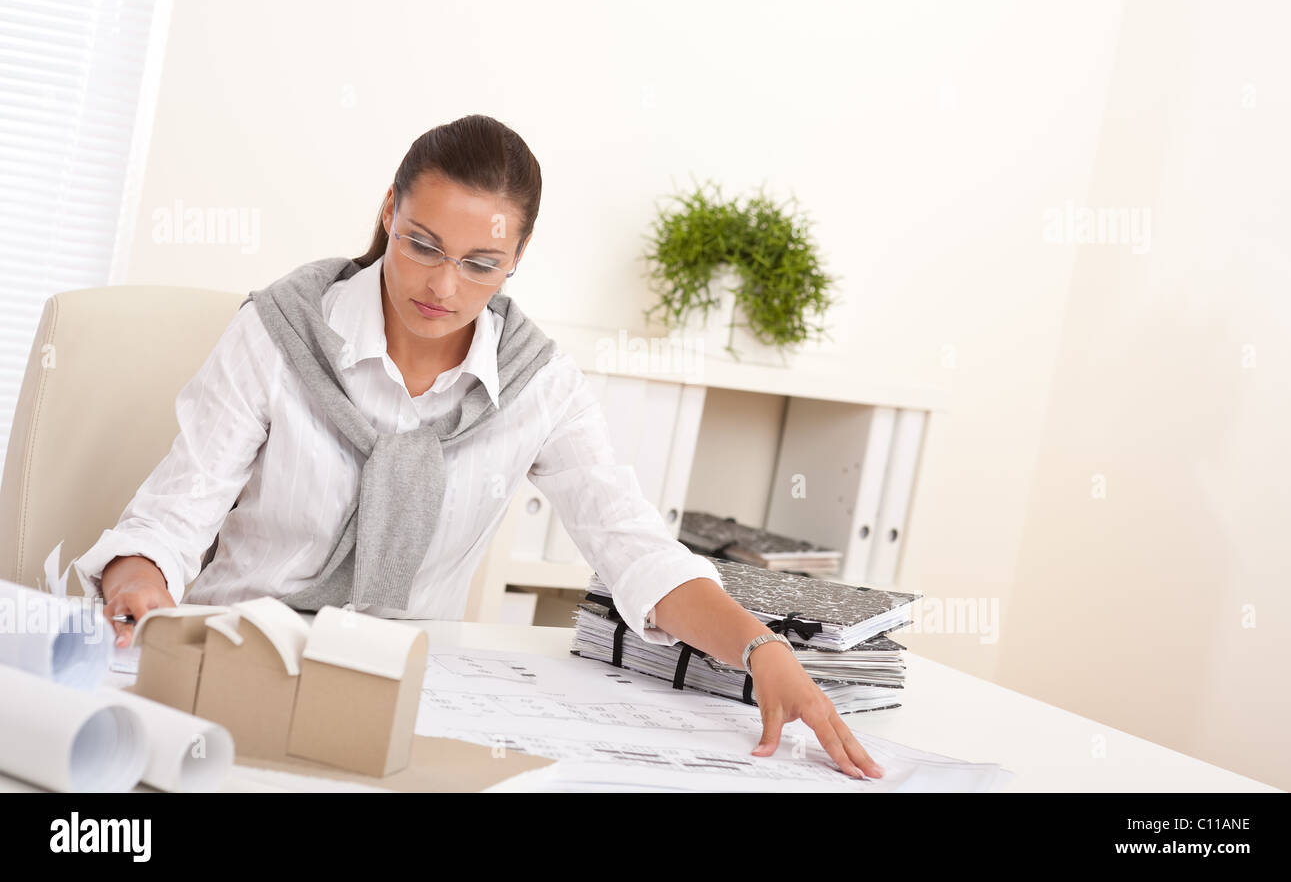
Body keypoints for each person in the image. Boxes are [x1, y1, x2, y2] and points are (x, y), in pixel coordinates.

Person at [75, 114, 883, 779]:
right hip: (234, 668)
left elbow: (632, 545)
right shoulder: (280, 330)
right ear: (390, 209)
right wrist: (140, 580)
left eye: (481, 264)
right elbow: (174, 518)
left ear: (517, 260)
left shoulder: (537, 383)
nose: (443, 288)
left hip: (400, 697)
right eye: (423, 244)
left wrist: (761, 649)